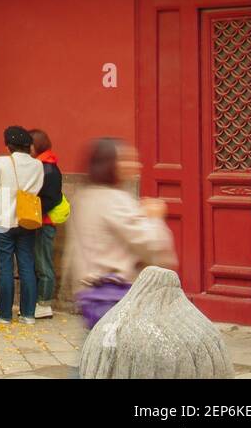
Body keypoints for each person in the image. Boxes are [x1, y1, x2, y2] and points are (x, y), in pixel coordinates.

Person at [67, 137, 177, 329]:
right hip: (117, 298)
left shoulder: (83, 198)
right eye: (126, 159)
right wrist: (154, 217)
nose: (136, 164)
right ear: (110, 164)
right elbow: (153, 246)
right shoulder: (115, 200)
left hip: (90, 296)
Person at [0, 125, 45, 324]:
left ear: (8, 145)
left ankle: (4, 314)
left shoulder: (0, 163)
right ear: (28, 145)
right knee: (27, 265)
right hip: (26, 220)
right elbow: (35, 189)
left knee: (6, 268)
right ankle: (28, 314)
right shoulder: (37, 166)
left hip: (2, 221)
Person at [29, 128, 62, 320]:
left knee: (43, 263)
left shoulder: (47, 169)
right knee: (40, 261)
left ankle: (44, 303)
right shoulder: (46, 165)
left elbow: (49, 199)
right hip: (40, 220)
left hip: (44, 221)